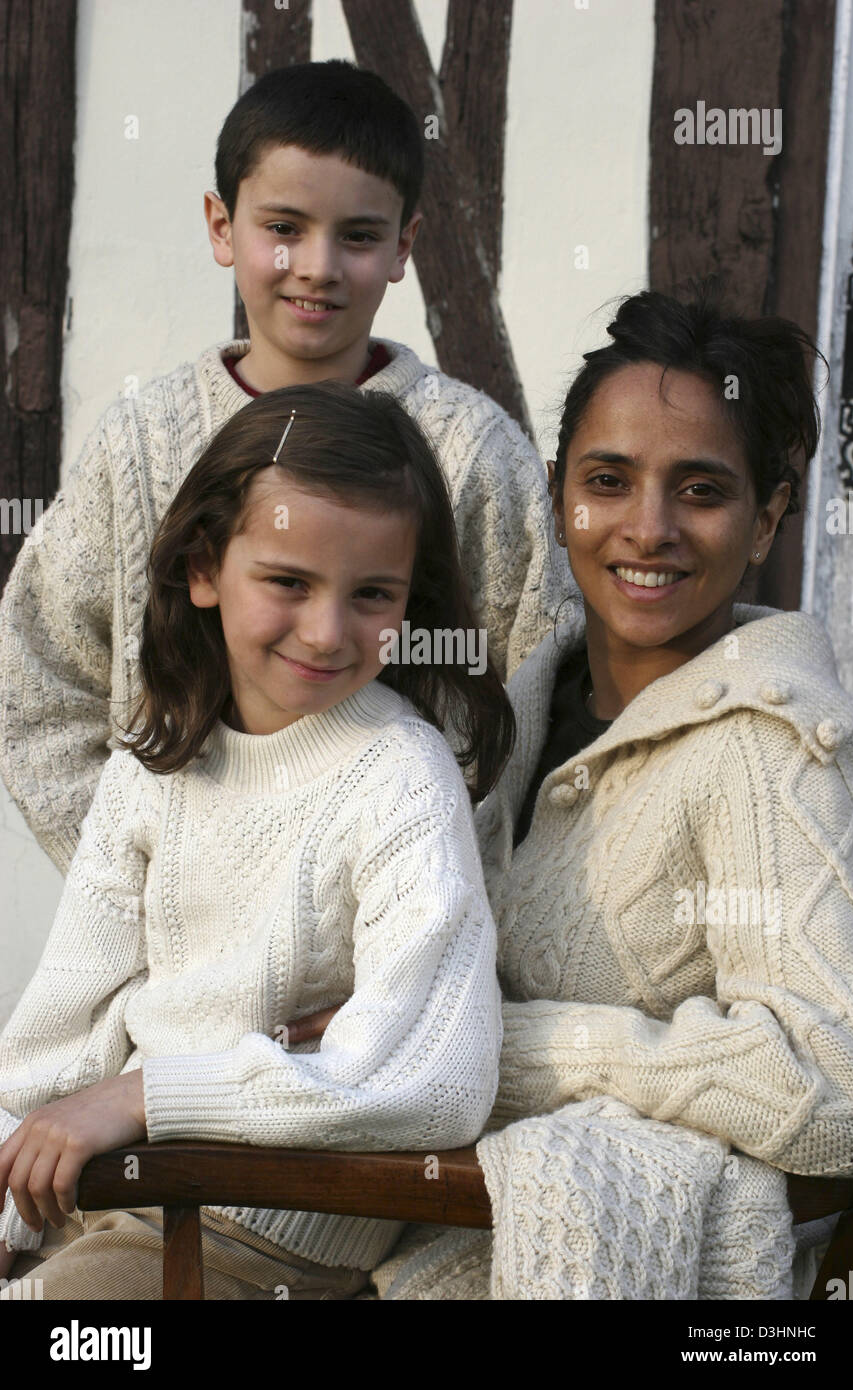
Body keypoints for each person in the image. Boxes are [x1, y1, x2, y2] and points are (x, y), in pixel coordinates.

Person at [363, 283, 853, 1299]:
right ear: (558, 497)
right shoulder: (504, 719)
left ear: (765, 518)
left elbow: (836, 1088)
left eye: (699, 490)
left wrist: (496, 1047)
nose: (647, 529)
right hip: (395, 1223)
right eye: (608, 480)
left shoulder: (768, 748)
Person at [0, 382, 512, 1300]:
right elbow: (55, 1049)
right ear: (204, 569)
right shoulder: (152, 770)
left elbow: (437, 1076)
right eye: (288, 582)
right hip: (109, 1207)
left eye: (372, 595)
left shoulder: (401, 776)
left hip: (258, 1238)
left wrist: (148, 1098)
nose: (326, 631)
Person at [0, 58, 566, 879]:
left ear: (405, 244)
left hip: (390, 932)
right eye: (285, 228)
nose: (318, 266)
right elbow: (37, 674)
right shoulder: (141, 444)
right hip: (170, 942)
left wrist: (429, 903)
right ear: (222, 227)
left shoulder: (471, 451)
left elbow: (536, 682)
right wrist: (139, 886)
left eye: (360, 236)